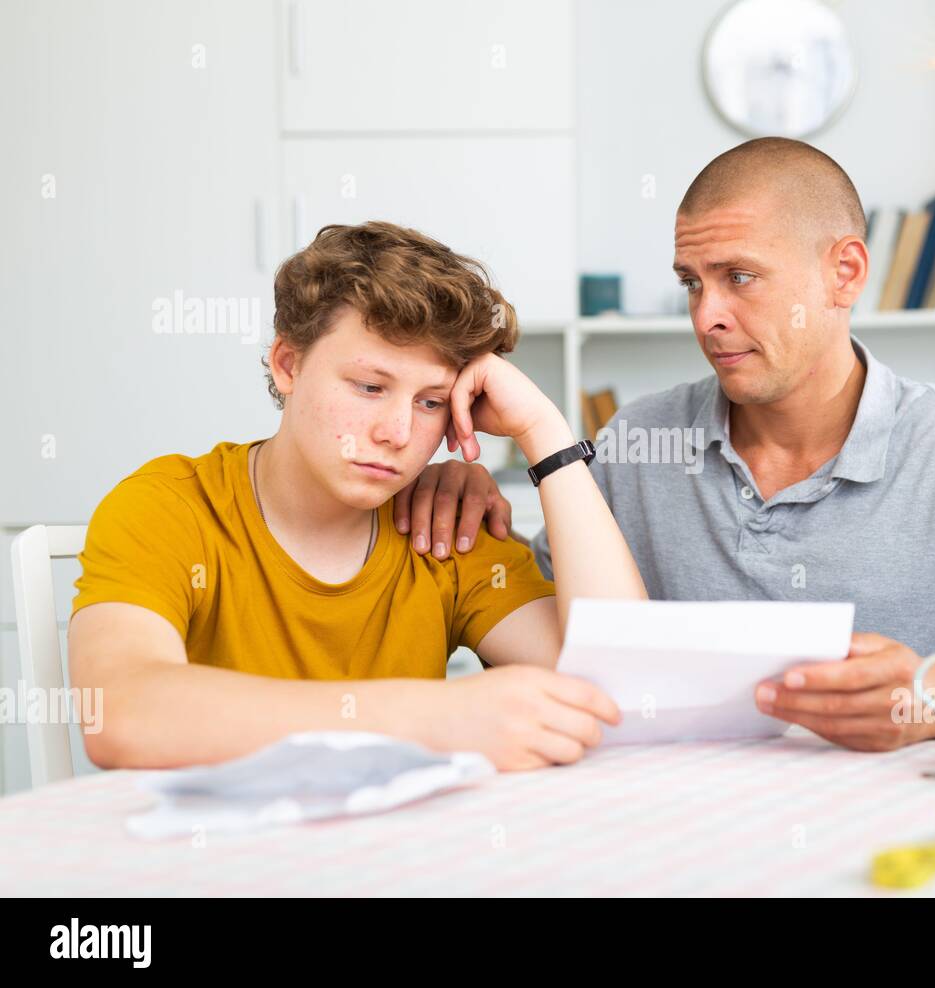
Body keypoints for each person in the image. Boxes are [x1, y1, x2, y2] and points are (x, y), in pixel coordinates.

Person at [396, 138, 935, 752]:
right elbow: (538, 644)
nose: (707, 317)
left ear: (845, 273)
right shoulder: (638, 444)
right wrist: (467, 493)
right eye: (693, 282)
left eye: (739, 277)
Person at [68, 221, 646, 772]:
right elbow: (121, 712)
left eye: (430, 402)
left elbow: (627, 687)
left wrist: (547, 436)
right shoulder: (171, 506)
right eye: (370, 387)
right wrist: (434, 718)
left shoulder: (444, 527)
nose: (396, 433)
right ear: (287, 363)